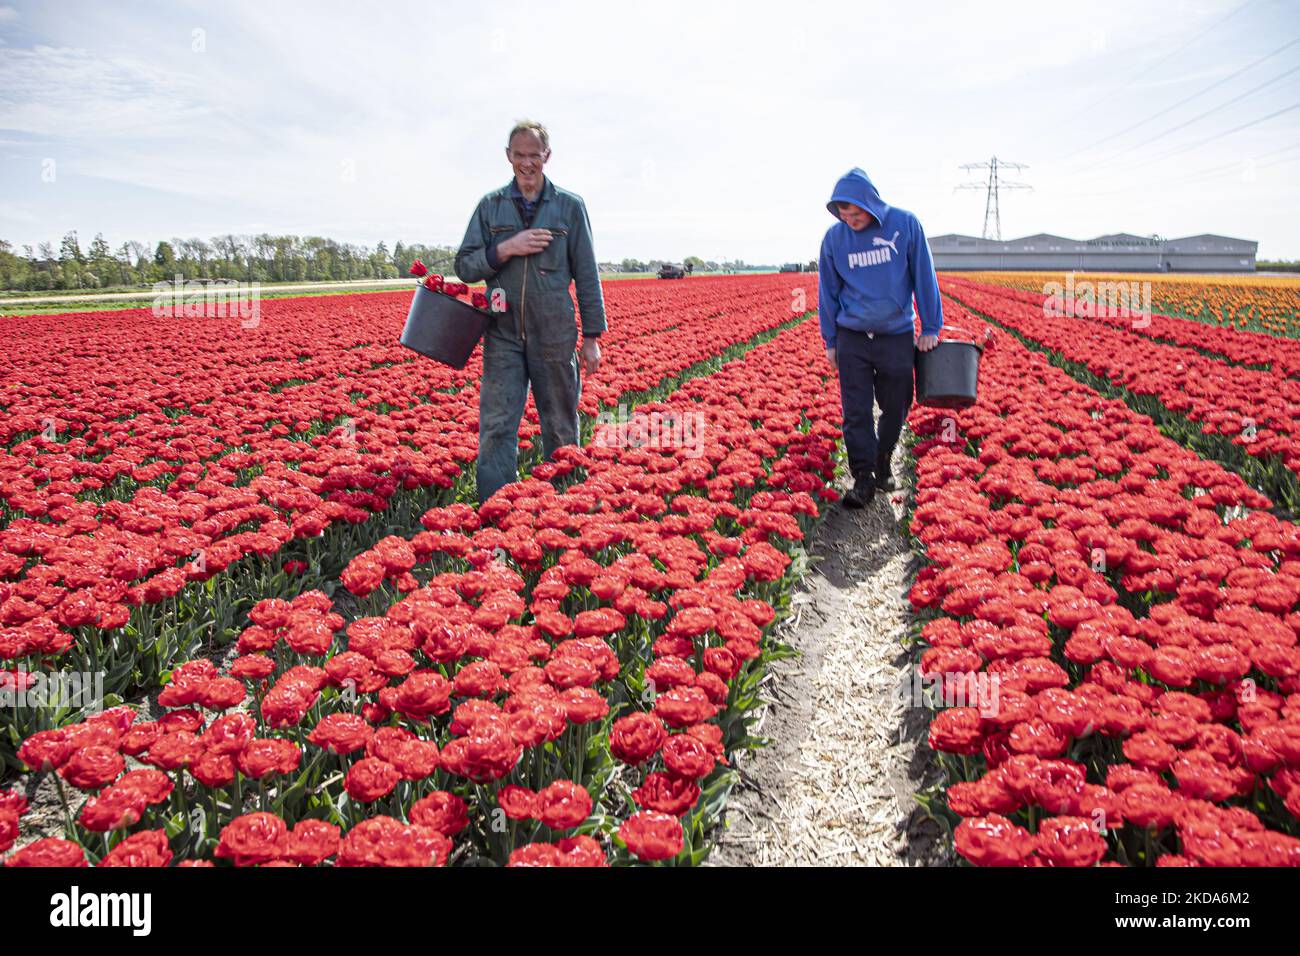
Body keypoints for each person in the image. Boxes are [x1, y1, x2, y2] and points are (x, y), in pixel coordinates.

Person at [455, 121, 607, 505]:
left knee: (560, 424)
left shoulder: (569, 207)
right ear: (508, 156)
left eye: (534, 155)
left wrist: (592, 338)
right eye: (519, 155)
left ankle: (564, 506)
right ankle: (496, 509)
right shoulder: (491, 206)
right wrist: (506, 248)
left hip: (554, 331)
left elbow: (587, 274)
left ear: (547, 157)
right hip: (503, 330)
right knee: (496, 424)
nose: (526, 163)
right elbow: (466, 266)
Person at [818, 167, 943, 509]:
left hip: (896, 333)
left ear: (871, 205)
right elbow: (827, 293)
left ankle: (883, 458)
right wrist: (830, 341)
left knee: (897, 403)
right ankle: (862, 479)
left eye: (856, 213)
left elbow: (924, 275)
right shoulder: (834, 239)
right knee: (855, 410)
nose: (851, 219)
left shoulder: (904, 225)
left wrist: (931, 327)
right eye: (844, 214)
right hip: (853, 335)